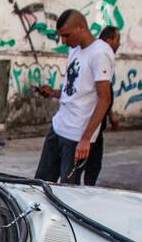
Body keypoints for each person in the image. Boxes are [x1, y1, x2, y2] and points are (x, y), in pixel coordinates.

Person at [33, 10, 113, 182]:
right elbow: (74, 89)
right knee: (40, 183)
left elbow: (105, 98)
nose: (64, 41)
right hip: (59, 126)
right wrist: (53, 92)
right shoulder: (75, 50)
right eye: (61, 36)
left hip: (77, 136)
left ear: (81, 28)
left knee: (67, 191)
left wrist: (86, 138)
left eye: (67, 35)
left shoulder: (99, 53)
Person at [77, 25, 120, 186]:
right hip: (90, 123)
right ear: (110, 40)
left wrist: (110, 114)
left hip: (97, 123)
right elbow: (100, 96)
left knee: (93, 163)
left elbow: (105, 95)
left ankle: (88, 189)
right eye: (117, 40)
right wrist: (87, 136)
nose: (119, 44)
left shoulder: (102, 57)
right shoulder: (99, 55)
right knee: (84, 162)